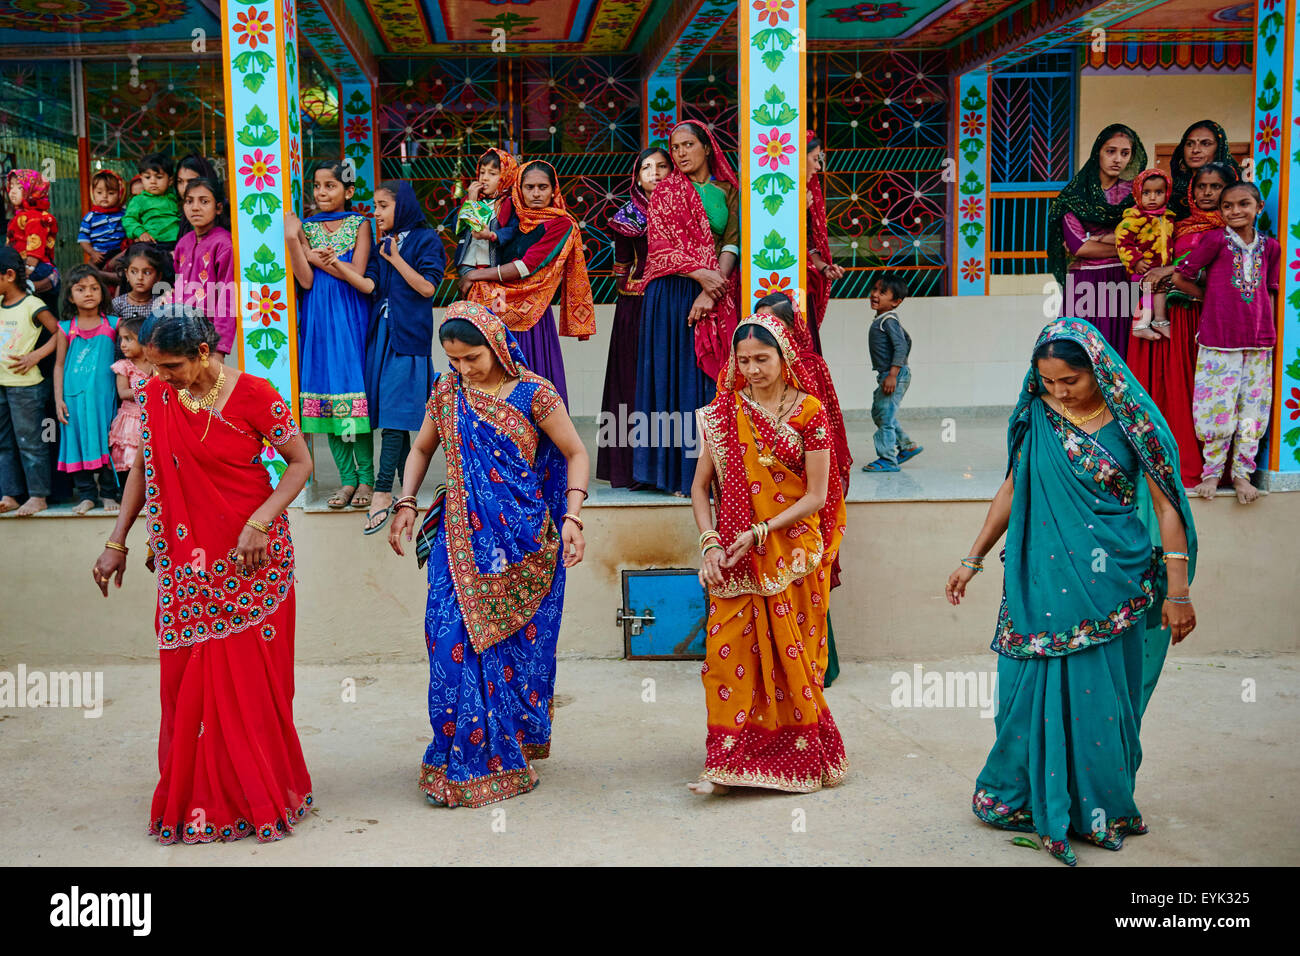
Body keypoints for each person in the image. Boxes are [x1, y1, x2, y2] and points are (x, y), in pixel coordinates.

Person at [948, 318, 1197, 867]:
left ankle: (1098, 807)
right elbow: (1012, 487)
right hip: (1039, 579)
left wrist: (1177, 593)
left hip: (1111, 583)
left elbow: (1165, 508)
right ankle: (1024, 796)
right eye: (1047, 381)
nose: (1059, 392)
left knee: (1103, 699)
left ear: (1098, 373)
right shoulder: (1035, 416)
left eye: (1071, 381)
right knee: (1023, 687)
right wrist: (973, 558)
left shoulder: (1134, 421)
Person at [91, 304, 315, 844]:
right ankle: (198, 796)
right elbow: (145, 468)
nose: (158, 378)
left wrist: (261, 522)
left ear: (202, 353)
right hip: (188, 566)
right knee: (190, 679)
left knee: (249, 683)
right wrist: (117, 541)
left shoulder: (255, 393)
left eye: (168, 367)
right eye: (151, 367)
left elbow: (301, 464)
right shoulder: (153, 396)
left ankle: (257, 789)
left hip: (250, 558)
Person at [387, 300, 588, 807]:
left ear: (497, 346)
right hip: (457, 539)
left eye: (472, 357)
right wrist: (406, 501)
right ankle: (458, 752)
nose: (463, 369)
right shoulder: (447, 391)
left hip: (520, 543)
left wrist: (573, 517)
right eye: (454, 359)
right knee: (449, 641)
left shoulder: (534, 394)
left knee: (515, 647)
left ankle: (506, 747)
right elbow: (420, 450)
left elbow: (576, 453)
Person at [689, 316, 848, 795]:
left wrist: (761, 531)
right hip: (733, 557)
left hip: (790, 553)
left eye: (763, 358)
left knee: (791, 659)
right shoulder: (723, 414)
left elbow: (818, 495)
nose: (753, 369)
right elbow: (700, 489)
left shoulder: (810, 412)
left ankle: (798, 754)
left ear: (784, 358)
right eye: (744, 360)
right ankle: (727, 760)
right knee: (726, 657)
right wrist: (711, 541)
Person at [330, 180, 445, 534]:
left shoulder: (426, 241)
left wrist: (395, 259)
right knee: (390, 416)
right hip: (380, 338)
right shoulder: (384, 244)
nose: (376, 213)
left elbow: (428, 287)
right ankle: (404, 491)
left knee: (395, 418)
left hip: (409, 338)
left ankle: (382, 493)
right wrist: (334, 264)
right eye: (374, 206)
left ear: (403, 206)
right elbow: (369, 286)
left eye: (382, 206)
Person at [633, 120, 741, 496]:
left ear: (707, 148)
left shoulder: (729, 191)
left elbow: (734, 242)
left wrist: (713, 288)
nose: (679, 153)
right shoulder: (666, 192)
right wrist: (701, 276)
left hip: (714, 291)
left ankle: (709, 475)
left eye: (687, 145)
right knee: (673, 378)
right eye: (675, 147)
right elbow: (660, 247)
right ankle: (674, 476)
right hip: (671, 293)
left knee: (707, 382)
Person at [753, 291, 849, 686]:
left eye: (773, 325)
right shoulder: (746, 383)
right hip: (761, 497)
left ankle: (816, 667)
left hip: (808, 488)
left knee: (809, 572)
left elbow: (829, 429)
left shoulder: (811, 368)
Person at [1126, 161, 1239, 488]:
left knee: (1199, 389)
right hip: (1168, 315)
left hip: (1203, 316)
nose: (1207, 193)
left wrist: (1175, 274)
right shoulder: (1177, 223)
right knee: (1165, 386)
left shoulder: (1232, 231)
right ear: (1190, 190)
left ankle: (1206, 464)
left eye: (1215, 187)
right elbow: (1153, 254)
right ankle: (1160, 461)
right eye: (1201, 186)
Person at [1174, 182, 1280, 504]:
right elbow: (1182, 276)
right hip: (1219, 339)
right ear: (1220, 212)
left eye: (1243, 204)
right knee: (1216, 407)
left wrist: (1269, 332)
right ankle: (1212, 471)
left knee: (1253, 407)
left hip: (1259, 342)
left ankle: (1242, 474)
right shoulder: (1215, 240)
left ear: (1258, 207)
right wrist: (1211, 300)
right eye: (1227, 206)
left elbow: (1270, 290)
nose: (1235, 211)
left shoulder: (1271, 248)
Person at [460, 160, 596, 404]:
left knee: (531, 386)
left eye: (542, 187)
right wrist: (472, 199)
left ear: (554, 190)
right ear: (518, 189)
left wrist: (474, 276)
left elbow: (526, 266)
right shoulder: (512, 217)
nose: (535, 193)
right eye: (529, 187)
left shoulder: (561, 223)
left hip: (532, 316)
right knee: (494, 387)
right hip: (498, 310)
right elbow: (474, 231)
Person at [285, 161, 374, 511]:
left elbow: (358, 272)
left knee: (352, 396)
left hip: (350, 314)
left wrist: (319, 258)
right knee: (324, 396)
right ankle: (346, 480)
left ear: (348, 191)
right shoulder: (306, 227)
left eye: (331, 186)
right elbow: (305, 280)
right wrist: (295, 240)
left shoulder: (360, 224)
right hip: (319, 317)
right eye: (318, 186)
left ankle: (365, 478)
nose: (322, 193)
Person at [597, 146, 671, 488]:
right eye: (646, 168)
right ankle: (633, 469)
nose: (653, 173)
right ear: (636, 177)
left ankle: (670, 467)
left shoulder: (688, 209)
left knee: (668, 385)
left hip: (677, 304)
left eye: (661, 166)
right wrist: (644, 288)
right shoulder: (627, 216)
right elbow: (622, 269)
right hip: (638, 309)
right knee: (634, 384)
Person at [1047, 124, 1147, 361]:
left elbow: (1144, 239)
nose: (1117, 159)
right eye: (1110, 151)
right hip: (1086, 286)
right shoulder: (1074, 196)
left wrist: (1096, 239)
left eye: (1125, 153)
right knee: (1082, 354)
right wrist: (1124, 244)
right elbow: (1078, 247)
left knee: (1122, 355)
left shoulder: (1138, 195)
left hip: (1125, 282)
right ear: (1097, 153)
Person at [0, 246, 64, 516]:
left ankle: (38, 496)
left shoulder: (32, 305)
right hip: (2, 384)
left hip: (26, 386)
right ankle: (10, 494)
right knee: (4, 443)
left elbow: (60, 332)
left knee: (31, 442)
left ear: (9, 275)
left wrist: (35, 356)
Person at [56, 265, 120, 514]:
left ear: (103, 293)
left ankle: (107, 493)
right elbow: (59, 365)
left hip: (104, 399)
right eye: (81, 289)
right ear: (71, 297)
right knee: (77, 442)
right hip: (73, 399)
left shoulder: (114, 324)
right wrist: (58, 399)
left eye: (94, 288)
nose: (89, 293)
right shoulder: (65, 327)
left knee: (106, 441)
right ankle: (86, 495)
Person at [862, 275, 921, 473]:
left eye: (882, 292)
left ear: (896, 301)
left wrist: (894, 373)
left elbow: (902, 345)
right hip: (890, 374)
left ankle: (887, 459)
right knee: (880, 412)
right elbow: (908, 341)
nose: (875, 294)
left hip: (893, 375)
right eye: (875, 289)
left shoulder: (888, 320)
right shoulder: (884, 319)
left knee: (885, 417)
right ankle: (906, 446)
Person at [171, 178, 234, 360]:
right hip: (181, 334)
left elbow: (227, 296)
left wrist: (220, 348)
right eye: (189, 201)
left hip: (209, 337)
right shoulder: (183, 243)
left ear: (219, 208)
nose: (195, 207)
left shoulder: (223, 244)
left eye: (204, 201)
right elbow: (179, 286)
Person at [1114, 169, 1175, 341]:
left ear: (1167, 193)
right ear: (1137, 194)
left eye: (1159, 192)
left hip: (1160, 269)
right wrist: (1136, 261)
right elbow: (1122, 241)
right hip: (1143, 268)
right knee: (1149, 291)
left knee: (1161, 290)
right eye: (1146, 193)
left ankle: (1160, 321)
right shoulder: (1134, 218)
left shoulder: (1168, 218)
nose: (1153, 197)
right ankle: (1141, 325)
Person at [805, 133, 845, 354]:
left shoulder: (809, 195)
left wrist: (825, 267)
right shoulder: (766, 194)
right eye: (814, 158)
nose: (819, 166)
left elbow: (808, 244)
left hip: (804, 285)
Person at [452, 147, 518, 275]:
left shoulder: (510, 203)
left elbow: (514, 230)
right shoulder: (470, 199)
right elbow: (457, 228)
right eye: (482, 172)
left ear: (506, 176)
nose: (484, 178)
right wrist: (471, 202)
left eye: (492, 174)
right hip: (468, 263)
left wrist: (492, 235)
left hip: (495, 265)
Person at [108, 313, 152, 491]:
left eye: (129, 339)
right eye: (121, 339)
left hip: (151, 418)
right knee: (129, 458)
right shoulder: (123, 366)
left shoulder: (156, 365)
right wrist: (147, 391)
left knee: (151, 459)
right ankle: (129, 493)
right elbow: (123, 392)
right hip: (130, 419)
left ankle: (151, 494)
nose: (123, 344)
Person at [1167, 120, 1240, 221]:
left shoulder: (1236, 191)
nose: (1195, 150)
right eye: (1189, 144)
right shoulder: (1168, 195)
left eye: (1205, 144)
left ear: (1219, 148)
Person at [6, 169, 59, 302]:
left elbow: (35, 244)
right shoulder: (21, 215)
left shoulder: (34, 217)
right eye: (11, 186)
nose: (12, 191)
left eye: (19, 187)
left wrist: (28, 270)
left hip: (35, 268)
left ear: (33, 191)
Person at [122, 153, 180, 251]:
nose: (153, 181)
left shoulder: (173, 198)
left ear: (170, 181)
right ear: (141, 179)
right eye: (147, 177)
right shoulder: (139, 200)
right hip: (153, 243)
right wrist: (140, 232)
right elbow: (128, 220)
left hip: (176, 243)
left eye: (159, 177)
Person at [77, 169, 128, 280]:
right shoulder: (90, 217)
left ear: (120, 194)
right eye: (99, 193)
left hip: (118, 253)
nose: (104, 196)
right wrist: (92, 252)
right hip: (99, 255)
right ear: (93, 193)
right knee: (89, 271)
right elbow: (83, 239)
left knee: (123, 275)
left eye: (111, 193)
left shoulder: (124, 215)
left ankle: (107, 277)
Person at [112, 243, 174, 324]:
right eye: (134, 271)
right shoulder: (118, 304)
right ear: (127, 274)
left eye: (147, 272)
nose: (140, 277)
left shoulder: (160, 304)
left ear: (158, 277)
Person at [173, 153, 228, 239]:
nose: (184, 188)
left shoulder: (222, 233)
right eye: (180, 182)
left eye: (191, 181)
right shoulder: (183, 217)